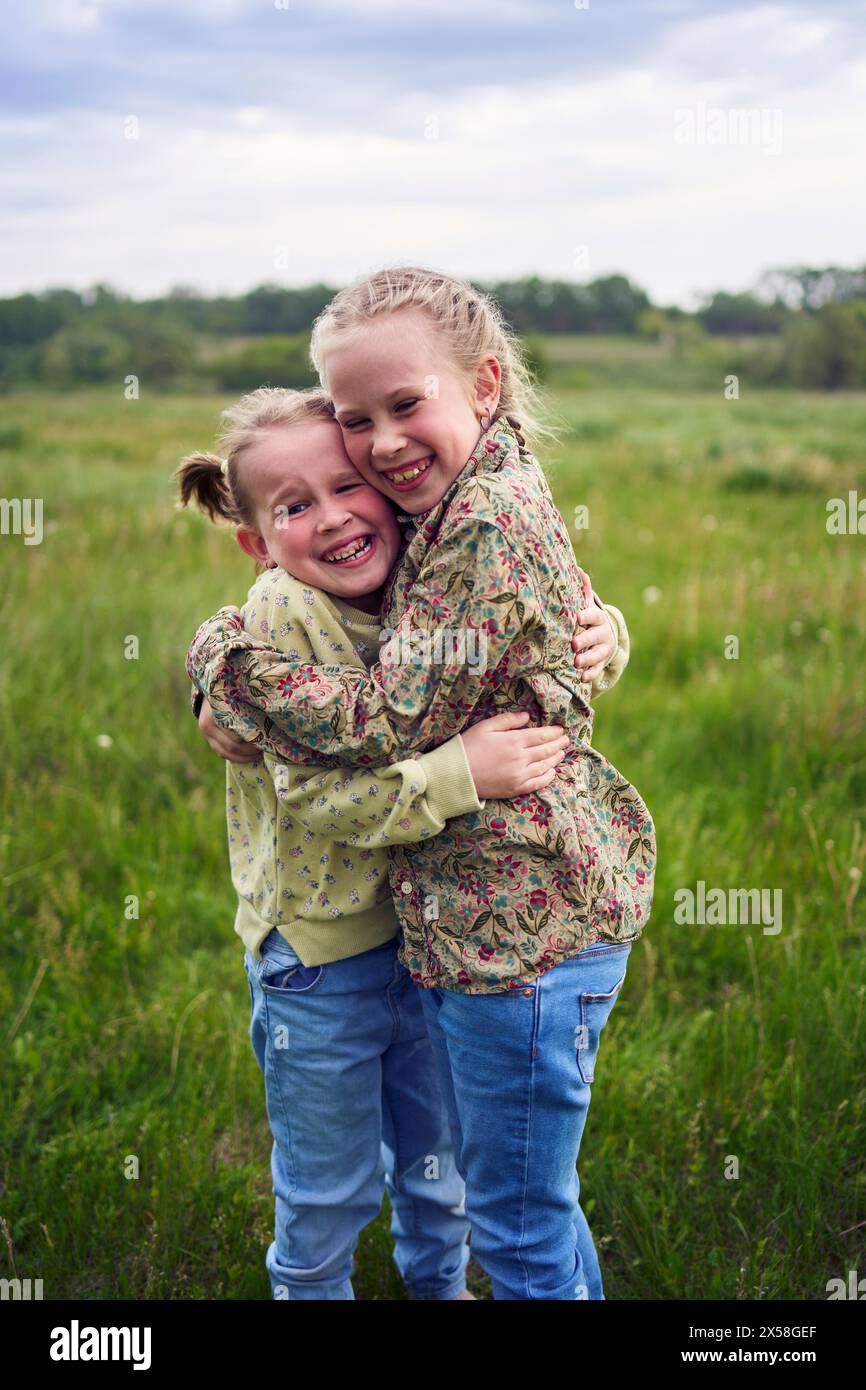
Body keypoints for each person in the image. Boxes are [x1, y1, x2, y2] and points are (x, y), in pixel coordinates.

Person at [186, 266, 654, 1299]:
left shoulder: (461, 525)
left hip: (493, 924)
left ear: (483, 385)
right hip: (338, 945)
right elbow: (322, 780)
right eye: (358, 422)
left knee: (495, 1205)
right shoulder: (415, 526)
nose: (381, 449)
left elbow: (396, 710)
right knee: (347, 1188)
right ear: (257, 536)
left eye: (405, 408)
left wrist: (226, 662)